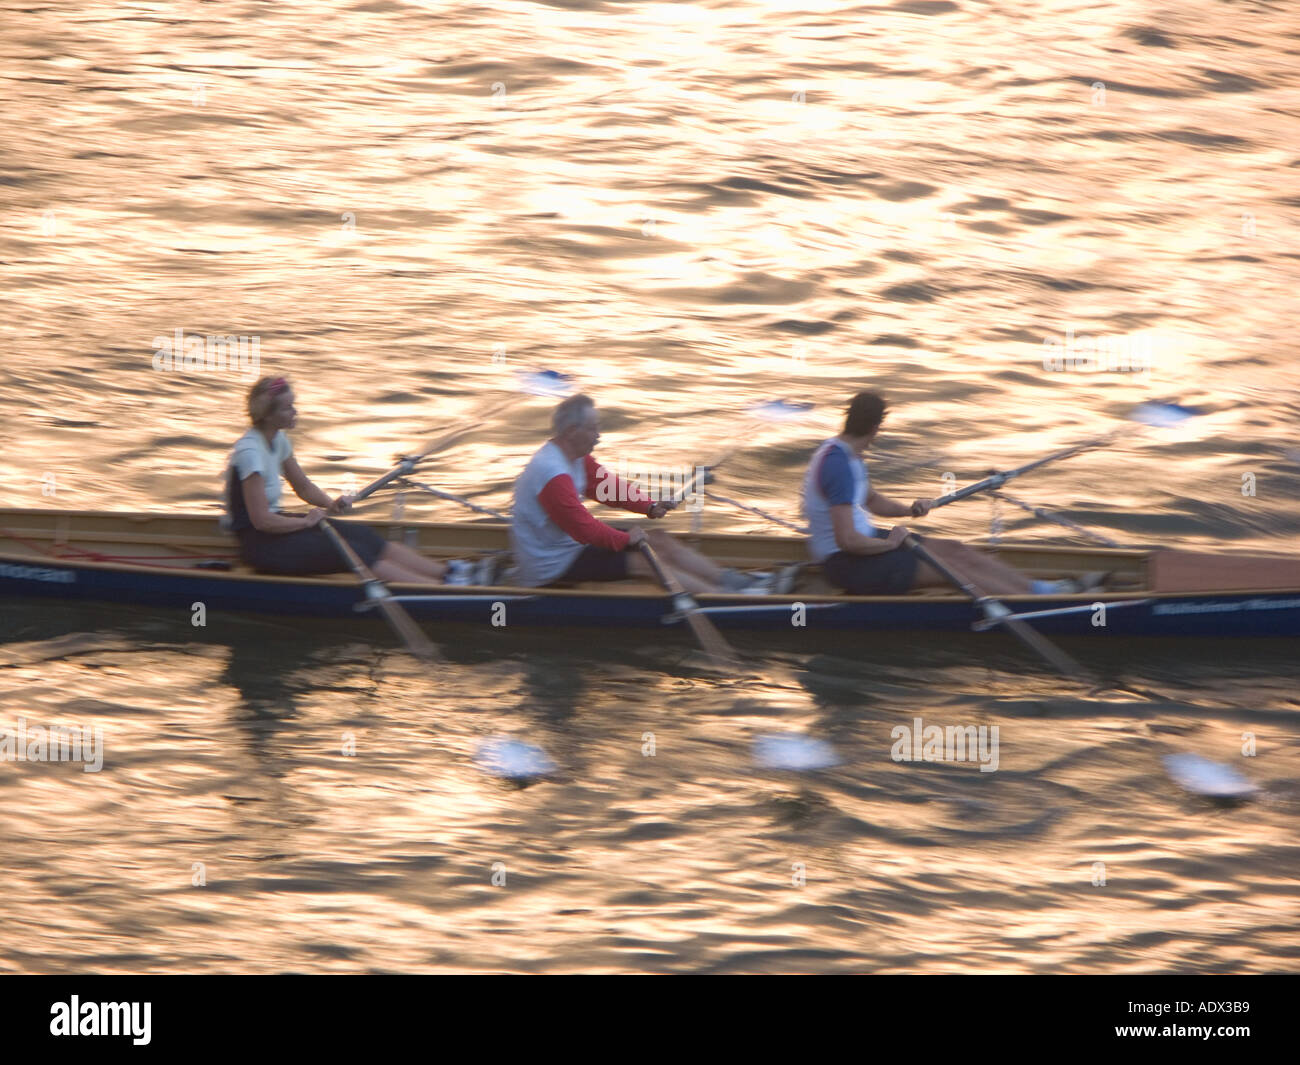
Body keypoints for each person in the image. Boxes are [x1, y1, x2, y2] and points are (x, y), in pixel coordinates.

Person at [802, 391, 1105, 596]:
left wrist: (910, 509)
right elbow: (848, 541)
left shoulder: (849, 455)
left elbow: (871, 501)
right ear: (874, 427)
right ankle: (1038, 604)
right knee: (950, 569)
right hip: (847, 563)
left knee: (955, 549)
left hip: (868, 544)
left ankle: (1043, 590)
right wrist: (891, 545)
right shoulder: (837, 464)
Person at [510, 394, 764, 593]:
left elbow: (608, 488)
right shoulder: (552, 474)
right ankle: (720, 600)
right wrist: (625, 540)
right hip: (551, 564)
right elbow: (584, 530)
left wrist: (649, 507)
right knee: (647, 563)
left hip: (569, 546)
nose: (598, 435)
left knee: (660, 539)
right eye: (592, 429)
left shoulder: (575, 458)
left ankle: (738, 584)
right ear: (570, 432)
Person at [225, 376, 447, 583]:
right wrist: (304, 522)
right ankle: (438, 591)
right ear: (269, 415)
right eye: (288, 407)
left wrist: (329, 504)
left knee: (365, 536)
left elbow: (302, 486)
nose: (295, 412)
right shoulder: (250, 452)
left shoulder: (278, 439)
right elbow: (262, 521)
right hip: (259, 545)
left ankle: (450, 574)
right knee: (354, 552)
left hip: (279, 529)